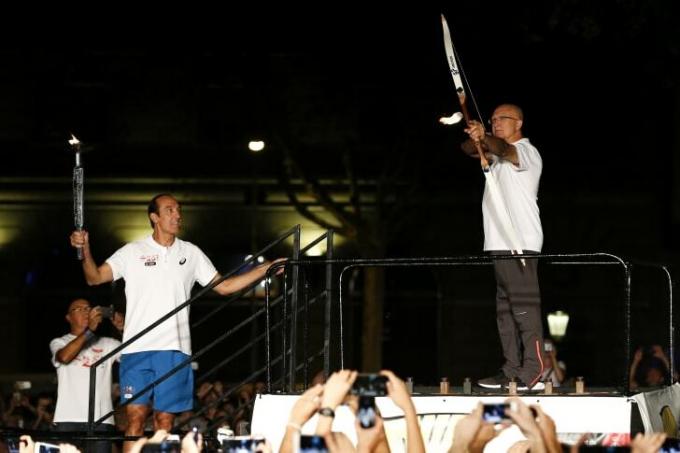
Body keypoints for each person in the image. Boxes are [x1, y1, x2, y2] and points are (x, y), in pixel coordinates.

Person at [69, 193, 284, 452]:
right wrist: (85, 250)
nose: (177, 215)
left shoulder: (191, 253)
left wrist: (265, 268)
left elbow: (225, 287)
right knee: (135, 420)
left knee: (164, 423)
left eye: (178, 210)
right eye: (170, 210)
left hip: (175, 351)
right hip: (137, 349)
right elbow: (94, 278)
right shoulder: (132, 251)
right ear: (154, 217)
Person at [461, 104, 545, 391]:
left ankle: (535, 368)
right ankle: (511, 369)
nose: (496, 123)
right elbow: (468, 149)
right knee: (505, 313)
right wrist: (476, 138)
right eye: (492, 119)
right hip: (498, 245)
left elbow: (502, 148)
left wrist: (484, 138)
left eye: (502, 119)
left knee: (524, 309)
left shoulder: (526, 152)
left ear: (518, 122)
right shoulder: (494, 156)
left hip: (518, 243)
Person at [50, 298, 125, 453]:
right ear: (68, 318)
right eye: (79, 309)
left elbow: (133, 357)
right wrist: (90, 331)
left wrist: (123, 329)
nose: (86, 312)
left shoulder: (108, 343)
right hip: (67, 419)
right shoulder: (59, 342)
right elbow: (64, 357)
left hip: (101, 419)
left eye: (88, 308)